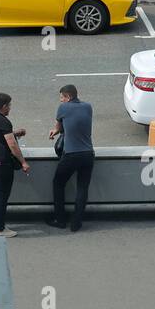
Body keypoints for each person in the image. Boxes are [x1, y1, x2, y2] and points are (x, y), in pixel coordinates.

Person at [47, 84, 94, 232]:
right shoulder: (88, 107)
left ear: (68, 97)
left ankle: (60, 219)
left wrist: (54, 132)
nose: (61, 100)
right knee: (82, 188)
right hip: (88, 154)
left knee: (58, 183)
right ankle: (76, 223)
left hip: (71, 154)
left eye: (62, 97)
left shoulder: (63, 108)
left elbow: (59, 127)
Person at [0, 92, 28, 237]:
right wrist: (23, 162)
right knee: (3, 196)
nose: (10, 108)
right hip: (2, 165)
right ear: (3, 106)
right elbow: (12, 145)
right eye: (9, 105)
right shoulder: (4, 121)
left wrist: (14, 132)